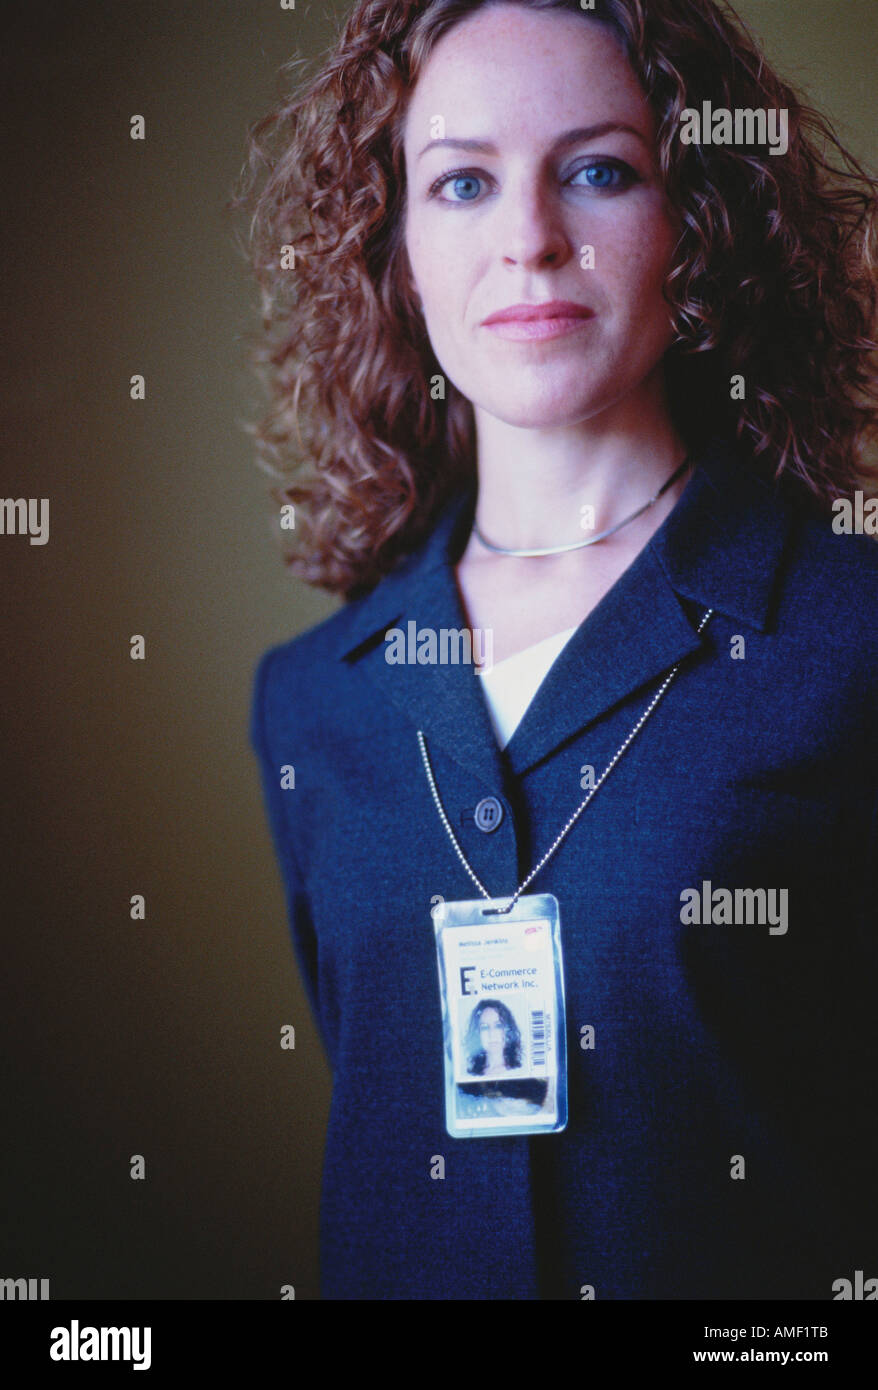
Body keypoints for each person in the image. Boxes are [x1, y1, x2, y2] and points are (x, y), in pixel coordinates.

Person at [235, 0, 878, 1299]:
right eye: (462, 182)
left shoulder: (851, 634)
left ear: (694, 220)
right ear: (397, 247)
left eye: (596, 171)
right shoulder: (307, 703)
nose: (527, 238)